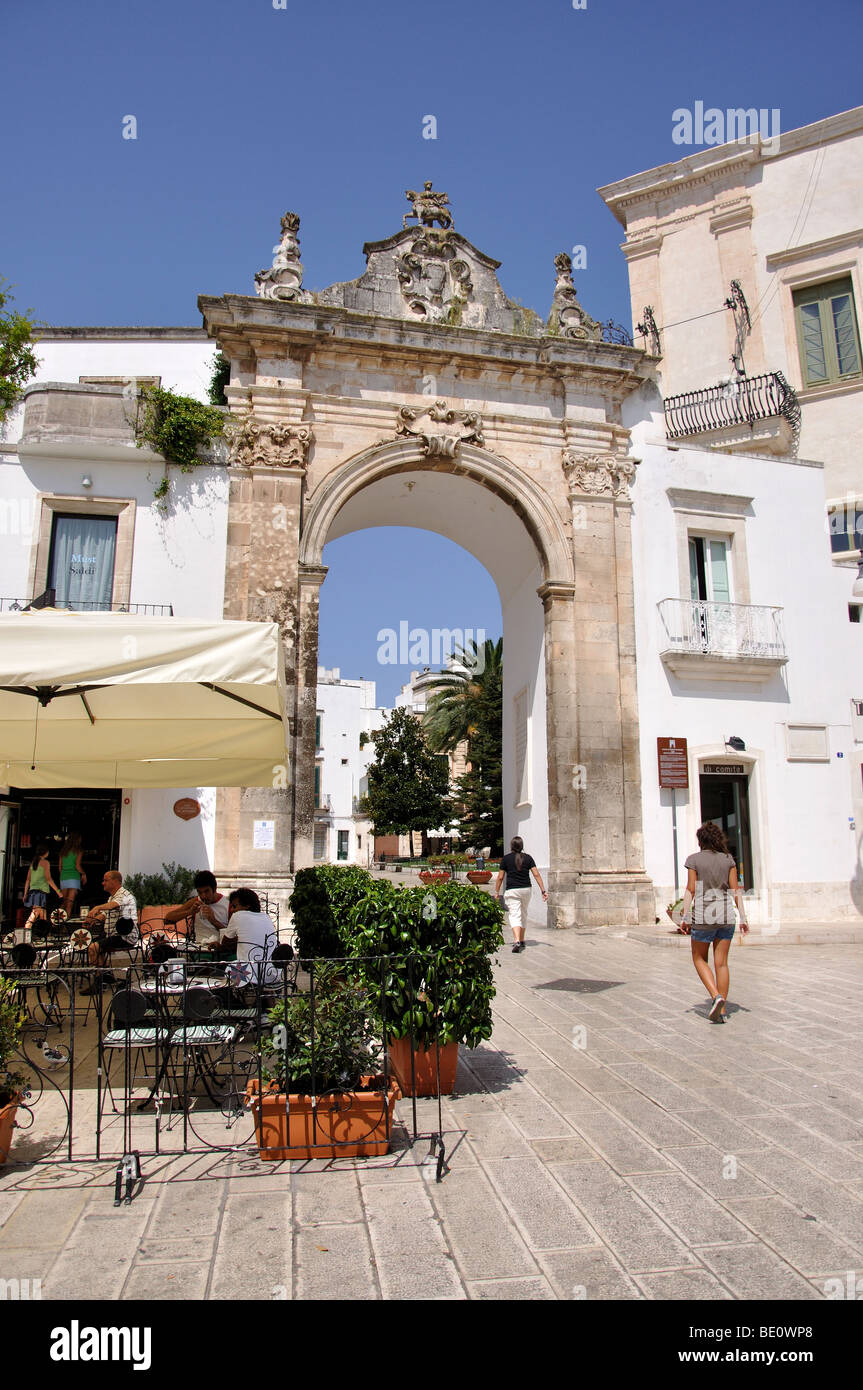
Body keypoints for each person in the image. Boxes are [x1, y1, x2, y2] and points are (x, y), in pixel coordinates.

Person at [680, 822, 749, 1021]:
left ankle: (715, 995)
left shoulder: (693, 860)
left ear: (701, 841)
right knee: (722, 964)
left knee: (699, 959)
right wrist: (743, 917)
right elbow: (735, 890)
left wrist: (684, 916)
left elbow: (691, 889)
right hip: (726, 916)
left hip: (703, 916)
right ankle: (723, 1008)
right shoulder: (728, 860)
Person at [82, 871, 139, 990]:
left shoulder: (124, 895)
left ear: (115, 881)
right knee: (91, 946)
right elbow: (104, 914)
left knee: (94, 947)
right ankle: (105, 976)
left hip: (124, 936)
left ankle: (100, 981)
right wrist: (93, 920)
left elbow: (113, 905)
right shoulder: (111, 897)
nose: (103, 883)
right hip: (112, 935)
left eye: (106, 880)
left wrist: (97, 907)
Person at [493, 836, 548, 953]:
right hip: (526, 890)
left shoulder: (506, 859)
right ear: (522, 846)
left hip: (512, 890)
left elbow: (500, 877)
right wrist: (543, 890)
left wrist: (497, 891)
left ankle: (517, 940)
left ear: (511, 846)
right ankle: (522, 939)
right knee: (523, 913)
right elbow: (536, 874)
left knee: (514, 915)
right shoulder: (528, 858)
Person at [217, 888, 278, 983]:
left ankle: (232, 996)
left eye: (234, 906)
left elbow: (225, 943)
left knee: (225, 972)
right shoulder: (266, 917)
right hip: (271, 974)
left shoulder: (238, 915)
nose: (232, 910)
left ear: (247, 905)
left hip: (248, 975)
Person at [163, 870, 230, 945]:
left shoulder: (227, 905)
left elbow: (231, 935)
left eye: (206, 891)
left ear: (214, 888)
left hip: (219, 949)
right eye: (200, 892)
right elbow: (167, 919)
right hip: (199, 948)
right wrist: (190, 912)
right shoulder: (196, 901)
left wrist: (214, 921)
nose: (203, 896)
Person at [23, 843, 61, 929]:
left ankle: (45, 933)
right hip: (40, 892)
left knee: (43, 914)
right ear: (46, 852)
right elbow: (48, 879)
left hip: (33, 891)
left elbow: (28, 880)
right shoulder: (45, 862)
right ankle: (26, 930)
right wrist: (58, 891)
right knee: (35, 913)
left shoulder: (33, 863)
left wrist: (25, 893)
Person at [57, 831, 86, 919]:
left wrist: (64, 874)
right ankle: (64, 925)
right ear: (77, 840)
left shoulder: (63, 851)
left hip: (64, 876)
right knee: (70, 903)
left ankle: (56, 920)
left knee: (64, 902)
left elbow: (60, 867)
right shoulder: (79, 851)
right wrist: (83, 874)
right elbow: (77, 865)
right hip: (73, 877)